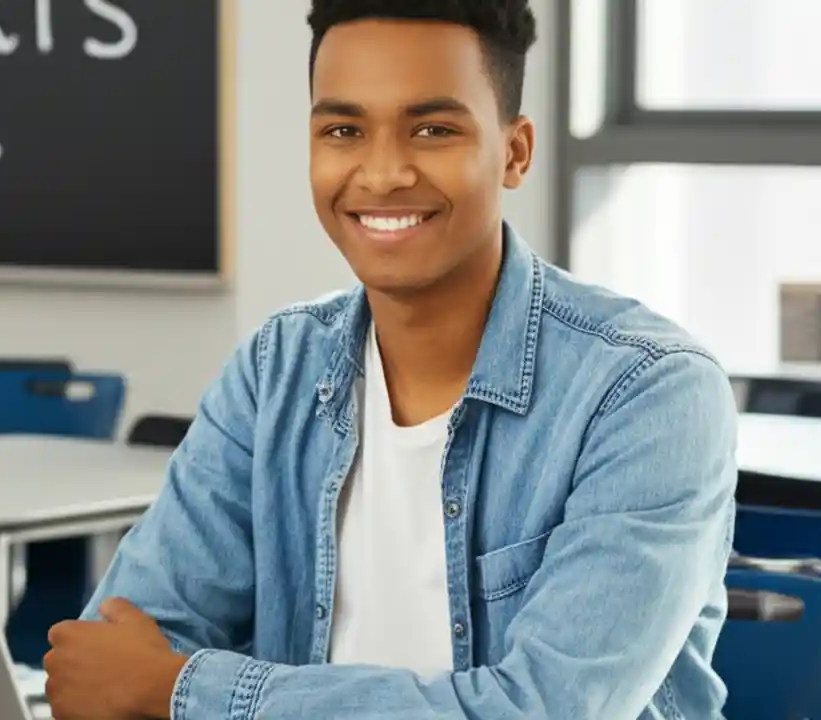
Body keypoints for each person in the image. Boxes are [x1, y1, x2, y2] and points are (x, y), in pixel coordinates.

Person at [43, 1, 738, 718]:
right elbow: (117, 649)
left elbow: (545, 709)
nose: (381, 174)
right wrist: (148, 682)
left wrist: (184, 690)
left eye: (433, 130)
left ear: (515, 152)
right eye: (344, 131)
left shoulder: (649, 393)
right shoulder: (277, 368)